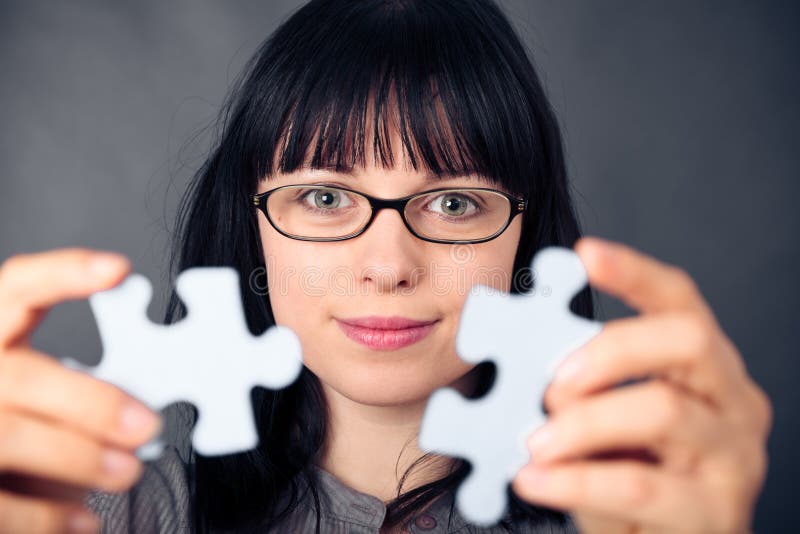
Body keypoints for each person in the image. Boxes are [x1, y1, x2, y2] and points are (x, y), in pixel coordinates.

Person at [0, 0, 772, 533]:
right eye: (328, 196)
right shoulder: (99, 514)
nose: (387, 266)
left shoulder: (639, 511)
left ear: (524, 243)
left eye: (454, 203)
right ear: (255, 230)